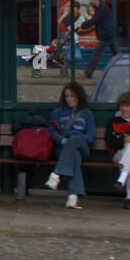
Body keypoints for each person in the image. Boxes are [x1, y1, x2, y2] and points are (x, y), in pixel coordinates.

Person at [43, 81, 97, 209]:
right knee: (75, 156)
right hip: (62, 147)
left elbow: (90, 137)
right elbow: (52, 131)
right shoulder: (58, 112)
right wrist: (62, 140)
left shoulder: (87, 114)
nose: (69, 99)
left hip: (82, 146)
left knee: (74, 142)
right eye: (67, 96)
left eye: (72, 96)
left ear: (79, 96)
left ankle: (56, 174)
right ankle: (73, 196)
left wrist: (75, 138)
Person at [80, 0, 118, 81]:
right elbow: (95, 19)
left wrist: (82, 25)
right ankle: (126, 69)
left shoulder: (103, 8)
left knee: (96, 53)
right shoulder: (98, 8)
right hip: (109, 33)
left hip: (107, 34)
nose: (90, 1)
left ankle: (88, 72)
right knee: (116, 54)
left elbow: (95, 20)